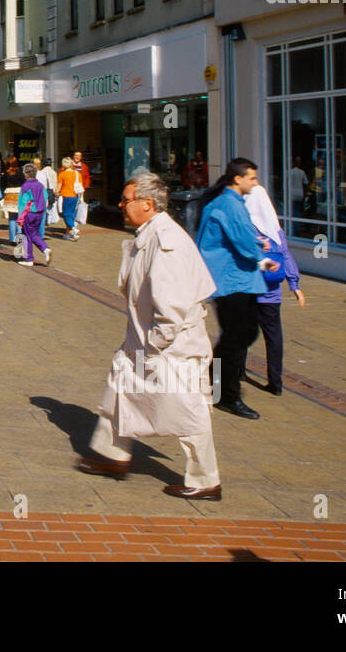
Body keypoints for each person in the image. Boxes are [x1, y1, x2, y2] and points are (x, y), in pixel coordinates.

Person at [75, 172, 223, 500]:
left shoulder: (166, 242)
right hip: (146, 341)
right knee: (119, 387)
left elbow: (171, 306)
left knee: (189, 409)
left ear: (148, 203)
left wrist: (155, 346)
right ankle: (114, 455)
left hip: (173, 346)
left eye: (126, 200)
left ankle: (206, 480)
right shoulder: (151, 233)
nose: (121, 205)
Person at [195, 157, 280, 420]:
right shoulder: (229, 204)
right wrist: (263, 259)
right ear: (237, 179)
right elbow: (242, 240)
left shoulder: (226, 202)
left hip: (234, 280)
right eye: (252, 178)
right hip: (233, 282)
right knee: (238, 337)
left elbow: (240, 236)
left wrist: (257, 248)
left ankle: (218, 384)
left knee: (236, 336)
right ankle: (225, 394)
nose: (255, 183)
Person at [245, 184, 304, 396]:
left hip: (248, 292)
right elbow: (286, 256)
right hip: (272, 292)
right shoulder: (275, 228)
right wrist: (294, 285)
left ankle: (233, 373)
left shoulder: (246, 227)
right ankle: (275, 382)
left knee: (238, 333)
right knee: (274, 337)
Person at [15, 163, 51, 267]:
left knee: (27, 236)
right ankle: (45, 249)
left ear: (25, 174)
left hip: (29, 213)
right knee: (34, 234)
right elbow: (45, 197)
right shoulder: (40, 185)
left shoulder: (26, 186)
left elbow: (22, 203)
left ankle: (29, 259)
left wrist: (20, 218)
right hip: (39, 213)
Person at [34, 155, 59, 242]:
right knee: (42, 217)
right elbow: (46, 187)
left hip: (34, 197)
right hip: (43, 196)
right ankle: (41, 235)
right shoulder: (44, 174)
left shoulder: (31, 174)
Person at [57, 157, 81, 240]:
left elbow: (58, 187)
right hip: (76, 196)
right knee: (71, 215)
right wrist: (82, 198)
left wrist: (56, 193)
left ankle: (74, 229)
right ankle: (69, 234)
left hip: (66, 196)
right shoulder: (77, 173)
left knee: (65, 215)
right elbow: (80, 186)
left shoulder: (62, 174)